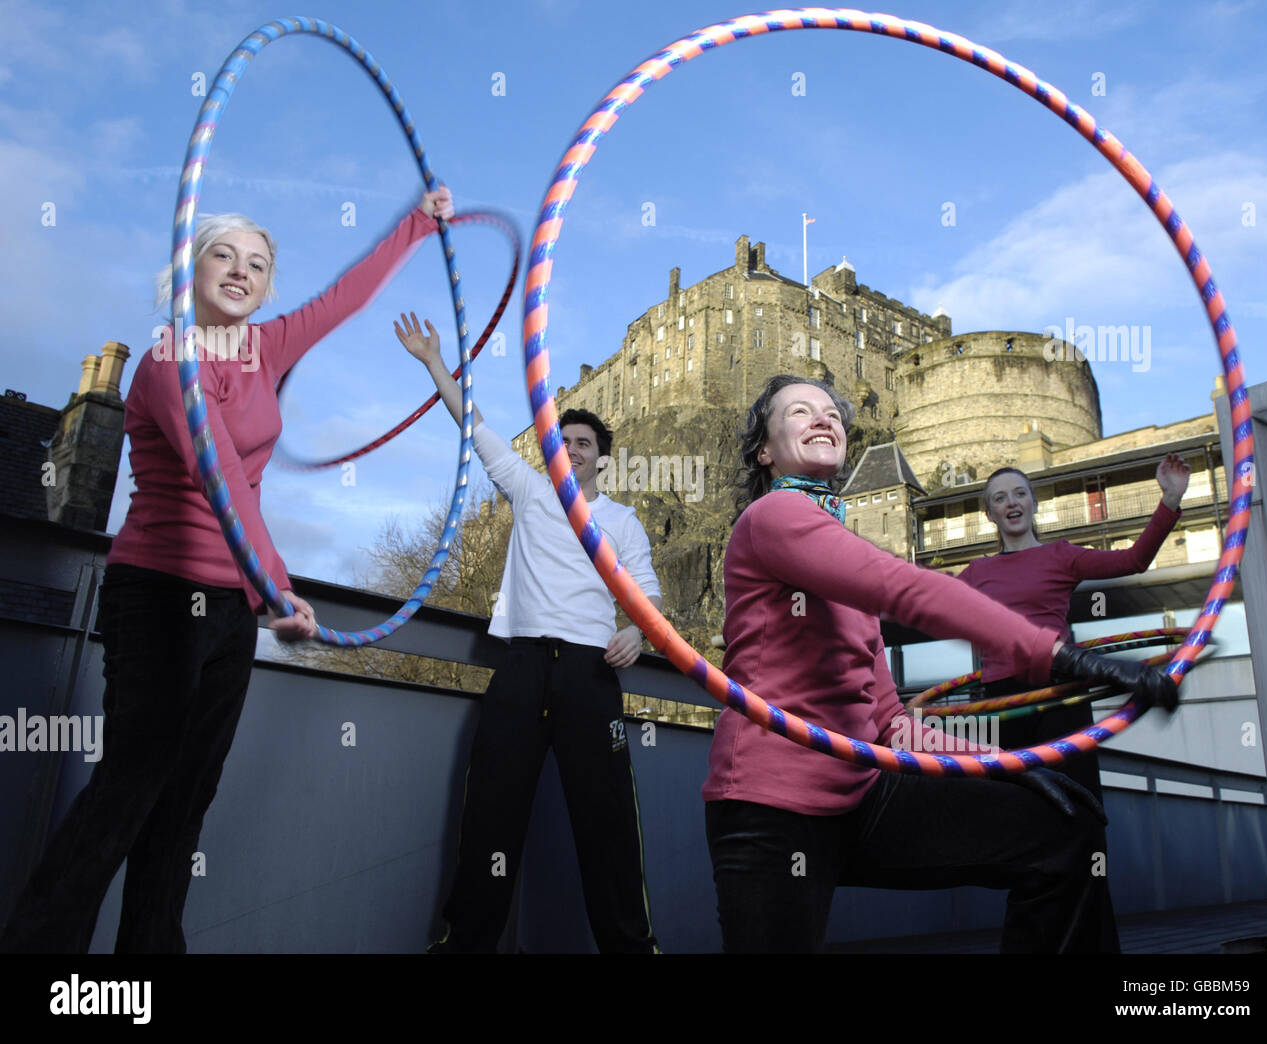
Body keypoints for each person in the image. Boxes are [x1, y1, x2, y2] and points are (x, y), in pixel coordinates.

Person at [0, 187, 454, 954]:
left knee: (184, 806)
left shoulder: (268, 347)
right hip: (158, 593)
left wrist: (420, 219)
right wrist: (278, 586)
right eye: (225, 255)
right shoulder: (164, 362)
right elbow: (222, 483)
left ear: (268, 285)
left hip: (230, 608)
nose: (242, 271)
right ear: (191, 267)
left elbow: (347, 297)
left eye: (258, 263)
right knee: (132, 786)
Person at [702, 374, 1178, 953]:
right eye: (800, 412)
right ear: (765, 450)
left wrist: (1008, 764)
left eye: (832, 412)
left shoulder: (840, 559)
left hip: (862, 798)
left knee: (1063, 830)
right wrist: (1061, 655)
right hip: (769, 808)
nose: (823, 419)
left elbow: (891, 724)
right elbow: (905, 587)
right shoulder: (772, 517)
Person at [396, 312, 661, 953]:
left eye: (584, 443)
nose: (571, 447)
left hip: (591, 674)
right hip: (520, 668)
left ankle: (631, 947)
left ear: (602, 459)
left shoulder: (623, 521)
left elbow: (648, 597)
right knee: (490, 810)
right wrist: (435, 362)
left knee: (608, 823)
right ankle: (465, 944)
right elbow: (475, 424)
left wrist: (638, 632)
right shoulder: (527, 490)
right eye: (561, 439)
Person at [958, 459, 1190, 797]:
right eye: (1000, 498)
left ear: (1033, 504)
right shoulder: (976, 572)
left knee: (1078, 797)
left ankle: (1091, 851)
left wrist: (1170, 499)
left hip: (1060, 688)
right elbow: (924, 600)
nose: (1011, 503)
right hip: (1003, 699)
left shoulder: (1061, 555)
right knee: (1015, 804)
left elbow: (1134, 560)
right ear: (989, 514)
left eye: (1020, 494)